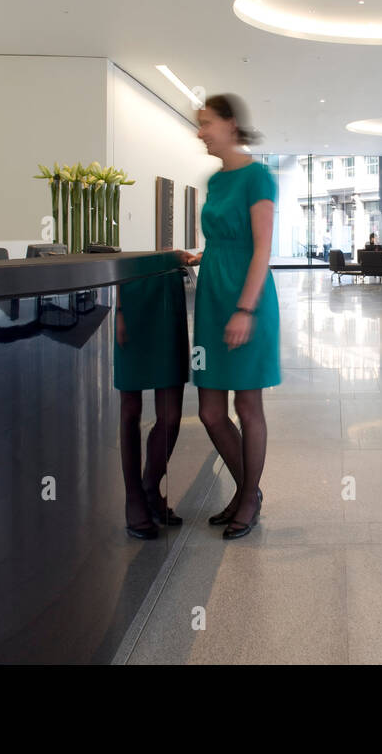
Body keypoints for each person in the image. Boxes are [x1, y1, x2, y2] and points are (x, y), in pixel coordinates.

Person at [180, 94, 281, 540]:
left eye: (205, 124)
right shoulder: (215, 181)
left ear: (230, 124)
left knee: (246, 405)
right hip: (210, 304)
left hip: (247, 302)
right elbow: (225, 238)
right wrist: (199, 255)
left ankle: (247, 500)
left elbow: (261, 247)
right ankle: (249, 493)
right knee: (208, 411)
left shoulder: (258, 177)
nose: (200, 132)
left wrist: (245, 308)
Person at [113, 263, 190, 540]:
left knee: (170, 415)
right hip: (130, 289)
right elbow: (112, 251)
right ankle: (134, 500)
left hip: (167, 286)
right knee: (131, 407)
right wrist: (119, 309)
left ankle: (150, 487)